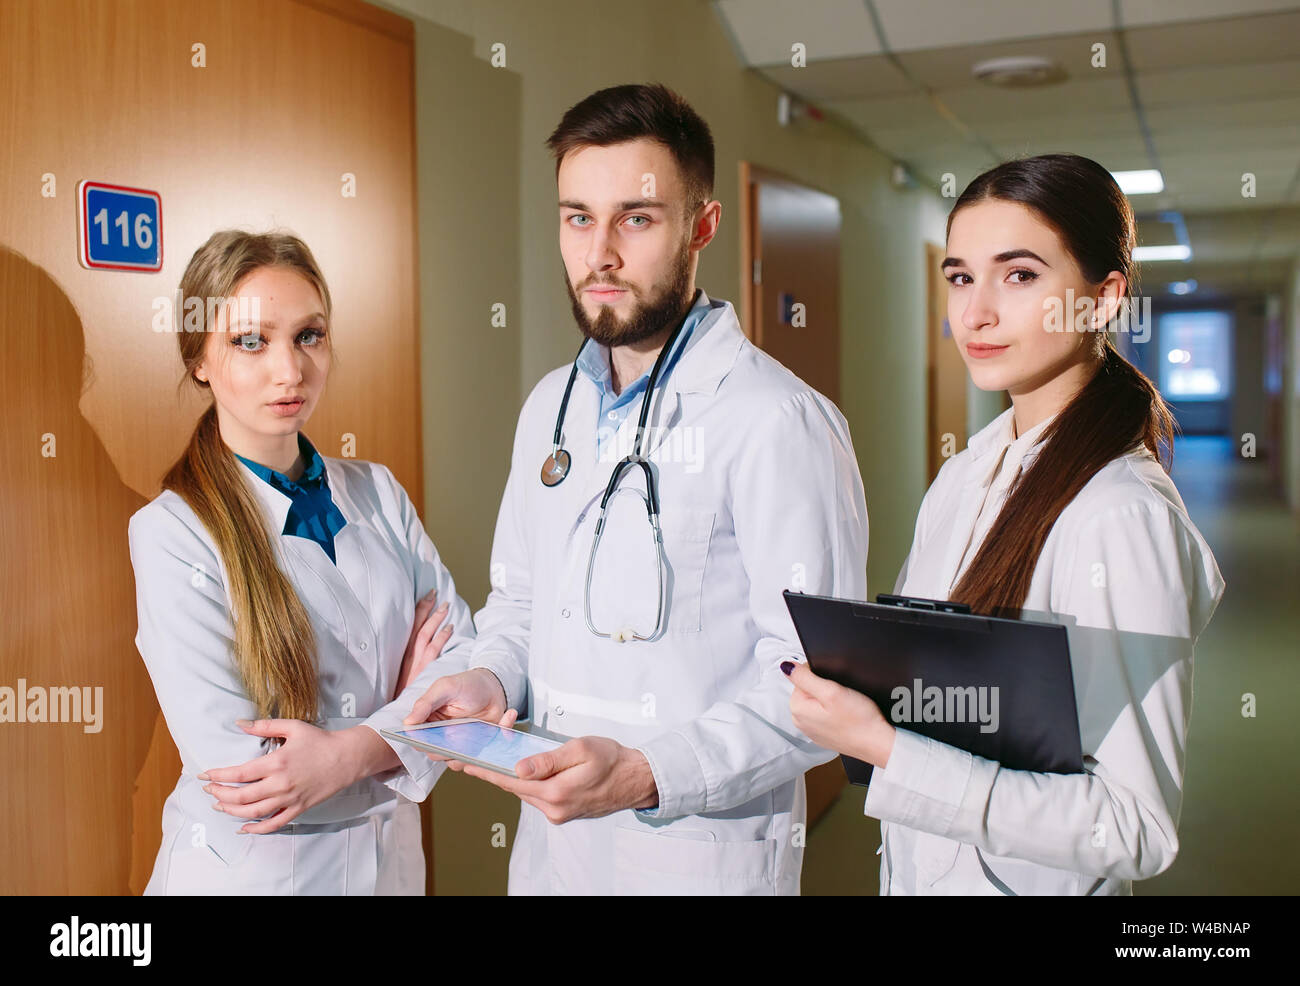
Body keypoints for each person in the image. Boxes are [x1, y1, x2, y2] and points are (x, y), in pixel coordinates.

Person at [405, 83, 869, 895]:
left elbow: (815, 688)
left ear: (702, 227)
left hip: (699, 859)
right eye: (578, 217)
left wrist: (649, 772)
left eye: (637, 218)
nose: (601, 254)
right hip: (556, 857)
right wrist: (488, 680)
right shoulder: (551, 406)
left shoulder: (777, 419)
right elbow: (520, 605)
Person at [786, 153, 1225, 896]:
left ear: (1103, 297)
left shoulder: (1120, 516)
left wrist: (888, 750)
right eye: (960, 277)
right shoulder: (966, 473)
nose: (975, 312)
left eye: (1019, 276)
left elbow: (1133, 827)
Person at [129, 230, 476, 895]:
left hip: (390, 869)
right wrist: (407, 719)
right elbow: (252, 779)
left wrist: (342, 756)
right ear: (199, 358)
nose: (289, 371)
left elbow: (463, 682)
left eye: (309, 335)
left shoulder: (379, 493)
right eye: (250, 341)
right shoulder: (171, 535)